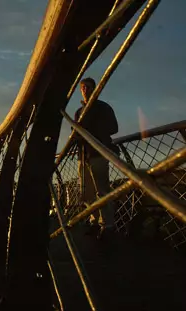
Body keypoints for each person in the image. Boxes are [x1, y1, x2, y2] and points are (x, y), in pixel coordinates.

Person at [74, 77, 119, 240]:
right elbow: (76, 133)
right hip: (83, 155)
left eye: (89, 87)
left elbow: (114, 128)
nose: (86, 90)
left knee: (102, 190)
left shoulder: (103, 108)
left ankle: (107, 226)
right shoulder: (79, 112)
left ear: (95, 90)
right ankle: (94, 221)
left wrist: (93, 132)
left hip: (98, 153)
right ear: (81, 90)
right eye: (83, 87)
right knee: (87, 192)